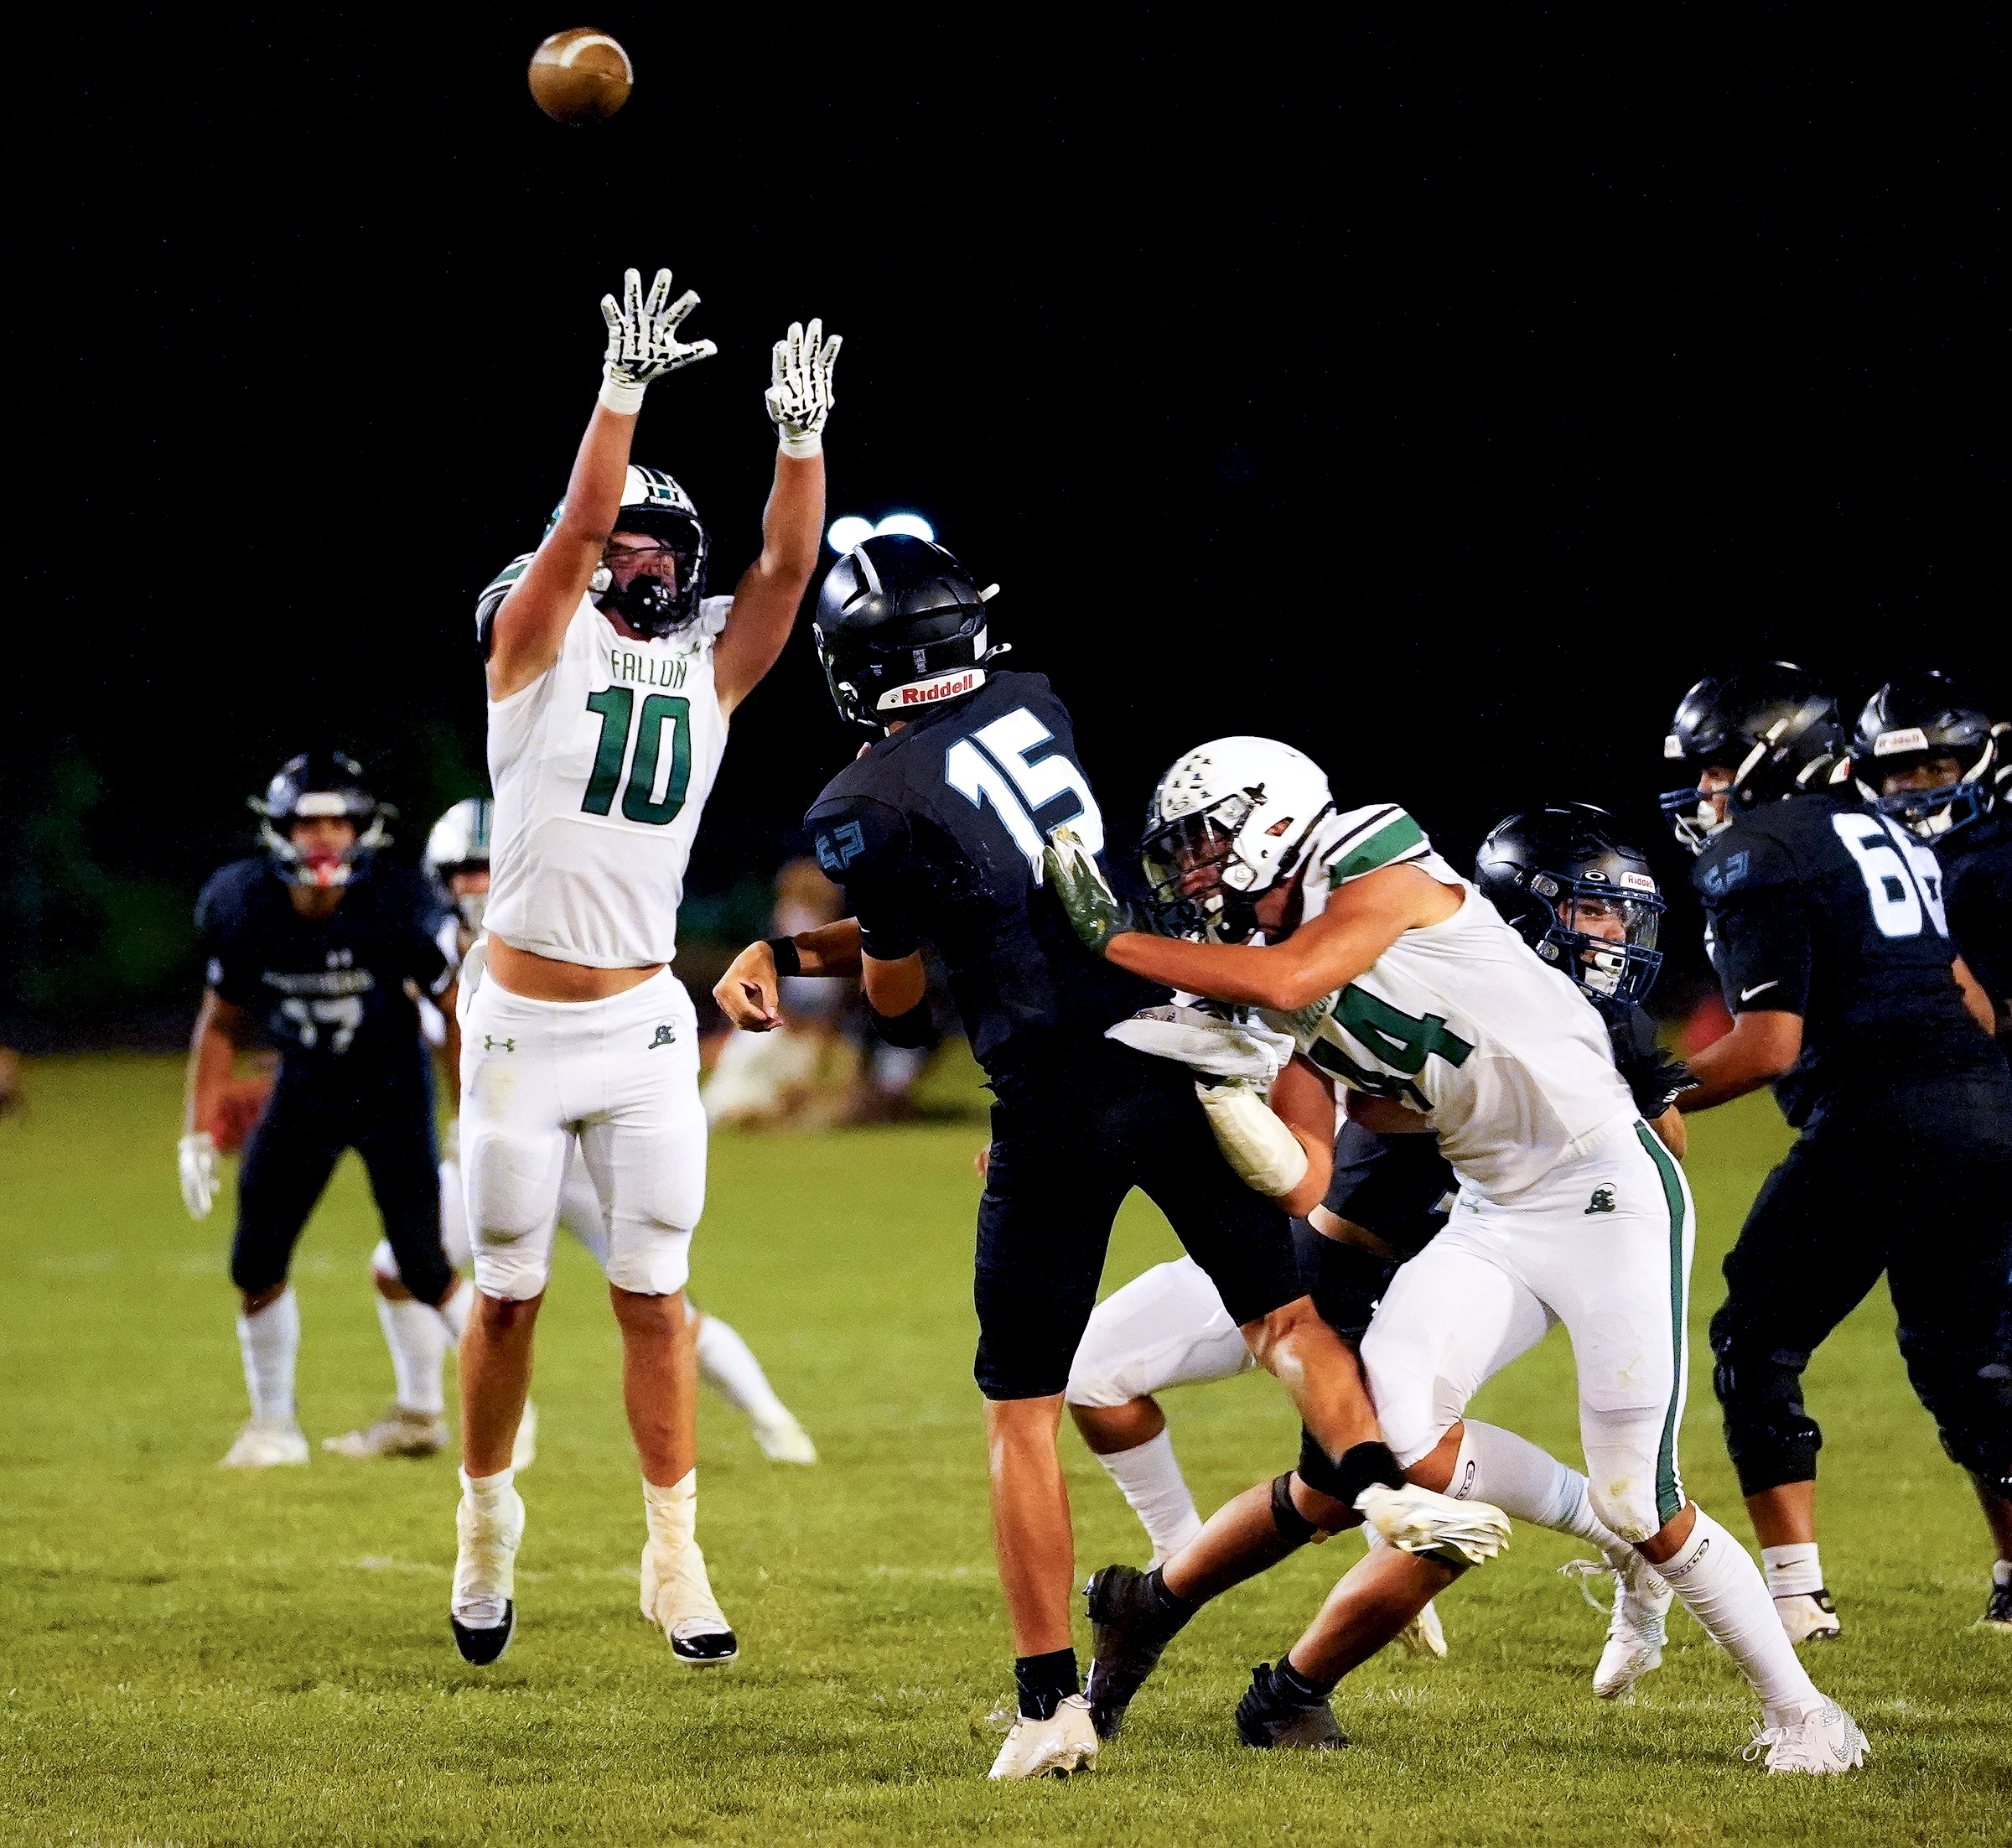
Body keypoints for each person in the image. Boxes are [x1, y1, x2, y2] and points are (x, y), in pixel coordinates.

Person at [712, 537, 1506, 1780]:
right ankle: (1378, 1486)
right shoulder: (1034, 704)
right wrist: (793, 948)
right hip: (1164, 1046)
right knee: (1287, 1320)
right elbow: (1007, 893)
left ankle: (1050, 1711)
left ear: (856, 667)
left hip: (1053, 1103)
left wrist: (835, 953)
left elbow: (908, 1001)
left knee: (1019, 1414)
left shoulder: (860, 805)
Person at [1047, 738, 1864, 1773]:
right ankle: (1595, 1547)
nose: (1196, 867)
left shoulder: (1369, 852)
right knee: (1393, 1441)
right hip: (1493, 1205)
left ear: (1271, 818)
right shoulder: (1265, 952)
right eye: (1186, 849)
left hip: (1605, 1192)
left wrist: (1113, 942)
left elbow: (1301, 972)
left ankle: (1803, 1714)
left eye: (1209, 839)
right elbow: (1365, 1107)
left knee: (1637, 1496)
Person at [1066, 802, 1698, 1685]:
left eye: (1617, 911)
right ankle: (1183, 1589)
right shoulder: (1388, 988)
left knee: (1383, 1492)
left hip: (1445, 1285)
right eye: (1591, 909)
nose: (1613, 931)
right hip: (1333, 1270)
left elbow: (1661, 1152)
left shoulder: (1601, 1023)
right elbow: (1317, 1182)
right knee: (1121, 1382)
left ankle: (1253, 1661)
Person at [447, 268, 838, 1669]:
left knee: (655, 1293)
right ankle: (485, 1522)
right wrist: (622, 393)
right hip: (517, 1028)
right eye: (636, 542)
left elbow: (788, 571)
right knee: (504, 1291)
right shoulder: (531, 656)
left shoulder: (706, 673)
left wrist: (800, 440)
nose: (656, 560)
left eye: (671, 542)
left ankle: (673, 1555)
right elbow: (569, 532)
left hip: (643, 1027)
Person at [1663, 662, 2012, 1640]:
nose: (1705, 791)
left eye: (1717, 766)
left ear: (1775, 755)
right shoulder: (1898, 832)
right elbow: (1971, 1001)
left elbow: (1767, 1043)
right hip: (1983, 1105)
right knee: (1971, 1360)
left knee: (1755, 1337)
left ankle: (1795, 1595)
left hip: (1879, 1114)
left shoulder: (1756, 848)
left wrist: (1641, 1092)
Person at [329, 799, 817, 1466]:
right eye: (463, 871)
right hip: (499, 1143)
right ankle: (421, 1412)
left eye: (489, 867)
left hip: (581, 1148)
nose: (477, 884)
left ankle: (774, 1420)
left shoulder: (560, 937)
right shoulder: (432, 947)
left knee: (661, 1300)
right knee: (398, 1266)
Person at [179, 753, 466, 1467]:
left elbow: (456, 1011)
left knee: (425, 1265)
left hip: (391, 1089)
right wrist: (198, 1129)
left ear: (363, 827)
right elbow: (220, 1020)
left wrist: (471, 1111)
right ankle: (273, 1427)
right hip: (304, 1088)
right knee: (255, 1258)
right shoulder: (241, 902)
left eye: (339, 821)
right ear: (280, 830)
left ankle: (510, 1414)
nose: (325, 838)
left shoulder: (397, 900)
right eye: (310, 822)